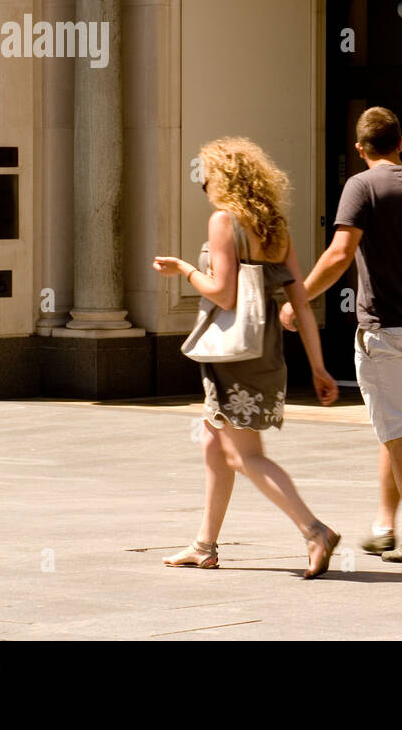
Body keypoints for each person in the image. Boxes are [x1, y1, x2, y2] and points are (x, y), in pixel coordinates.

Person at [282, 107, 402, 564]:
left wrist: (299, 300)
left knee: (399, 430)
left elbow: (339, 253)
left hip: (385, 330)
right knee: (399, 426)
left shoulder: (361, 186)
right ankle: (385, 524)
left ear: (361, 149)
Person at [153, 137, 342, 579]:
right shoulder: (276, 228)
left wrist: (184, 270)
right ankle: (204, 545)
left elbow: (223, 291)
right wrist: (317, 366)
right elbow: (301, 300)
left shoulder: (224, 221)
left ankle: (314, 530)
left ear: (223, 178)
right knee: (213, 445)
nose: (204, 188)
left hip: (233, 355)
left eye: (205, 179)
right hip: (266, 350)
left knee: (245, 454)